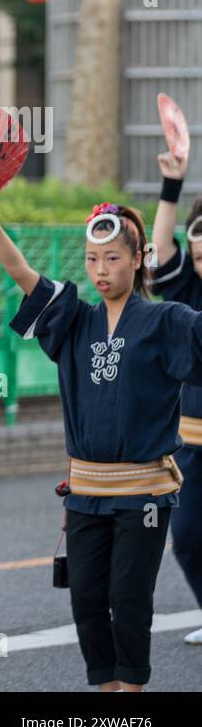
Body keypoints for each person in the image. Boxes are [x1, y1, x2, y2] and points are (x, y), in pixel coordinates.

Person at [0, 175, 192, 690]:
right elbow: (21, 272)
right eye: (93, 259)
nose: (101, 270)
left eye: (113, 258)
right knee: (87, 603)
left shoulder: (166, 322)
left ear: (137, 260)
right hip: (86, 494)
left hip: (144, 495)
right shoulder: (73, 319)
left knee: (129, 603)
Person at [146, 141, 202, 647]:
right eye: (198, 250)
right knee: (185, 538)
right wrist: (172, 185)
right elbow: (160, 248)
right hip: (191, 444)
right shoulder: (187, 291)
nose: (200, 259)